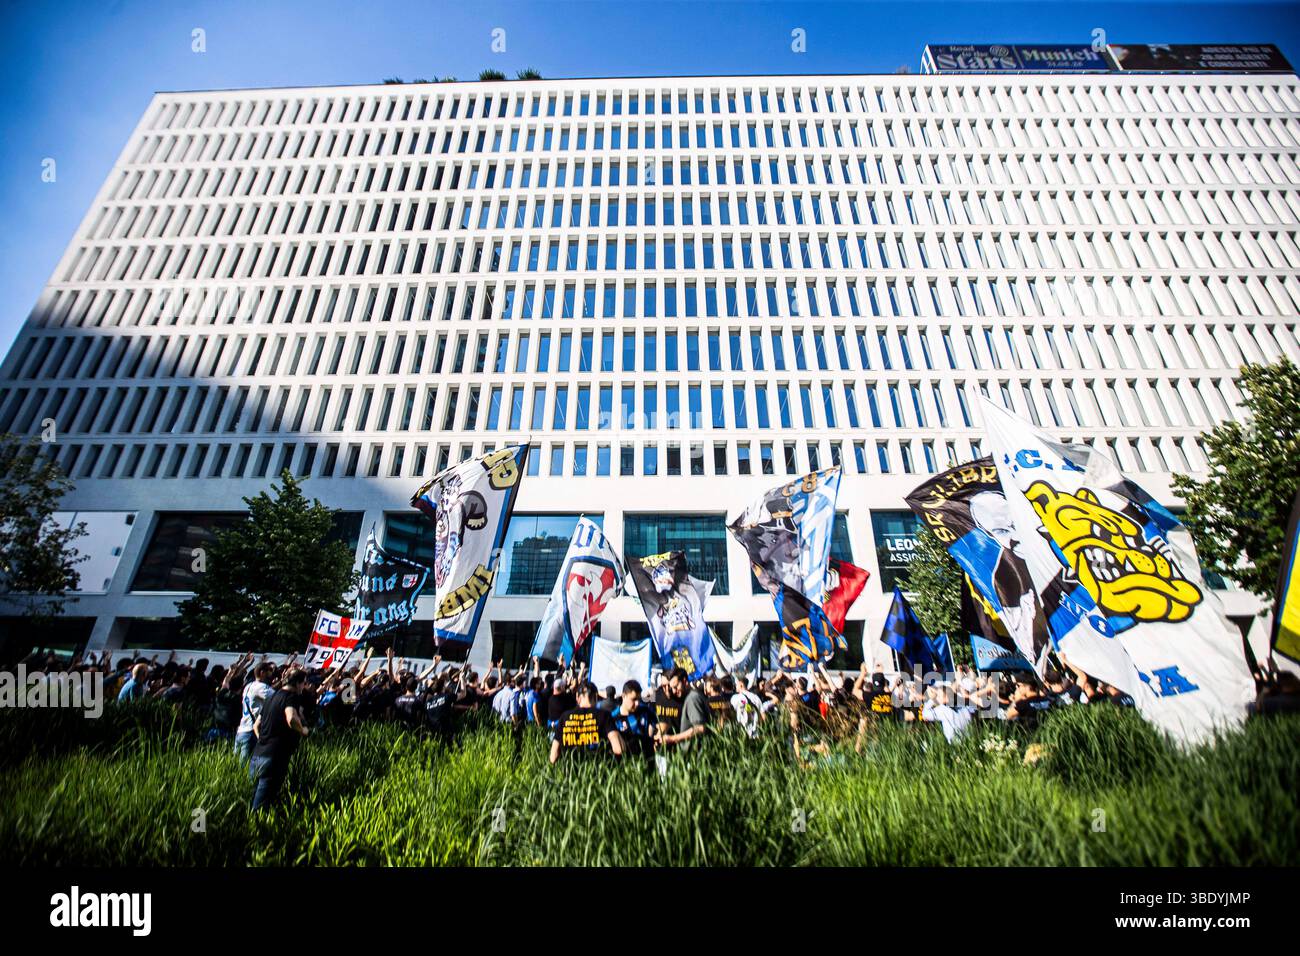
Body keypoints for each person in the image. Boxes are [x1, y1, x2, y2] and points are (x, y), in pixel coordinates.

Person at [249, 669, 311, 811]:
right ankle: (258, 830)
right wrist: (303, 730)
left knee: (253, 797)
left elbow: (256, 725)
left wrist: (263, 740)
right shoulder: (291, 697)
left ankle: (248, 823)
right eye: (304, 683)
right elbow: (291, 719)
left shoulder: (271, 696)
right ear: (297, 683)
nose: (304, 686)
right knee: (262, 805)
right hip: (275, 756)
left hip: (258, 753)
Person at [550, 682, 623, 763]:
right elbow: (618, 749)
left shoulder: (564, 717)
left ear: (577, 697)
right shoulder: (604, 715)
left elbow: (553, 757)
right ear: (596, 697)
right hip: (598, 771)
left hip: (570, 773)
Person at [660, 668, 710, 751]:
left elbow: (700, 728)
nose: (674, 691)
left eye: (676, 687)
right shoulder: (693, 696)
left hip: (697, 754)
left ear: (685, 681)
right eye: (672, 688)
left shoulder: (692, 698)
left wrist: (672, 738)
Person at [235, 662, 275, 763]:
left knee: (236, 765)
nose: (272, 673)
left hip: (241, 730)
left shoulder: (248, 686)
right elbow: (277, 699)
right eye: (269, 671)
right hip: (251, 731)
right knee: (247, 766)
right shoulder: (261, 687)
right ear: (262, 673)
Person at [610, 680, 657, 762]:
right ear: (624, 696)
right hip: (624, 763)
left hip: (645, 761)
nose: (637, 703)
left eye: (639, 699)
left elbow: (657, 727)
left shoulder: (646, 711)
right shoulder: (613, 718)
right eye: (634, 699)